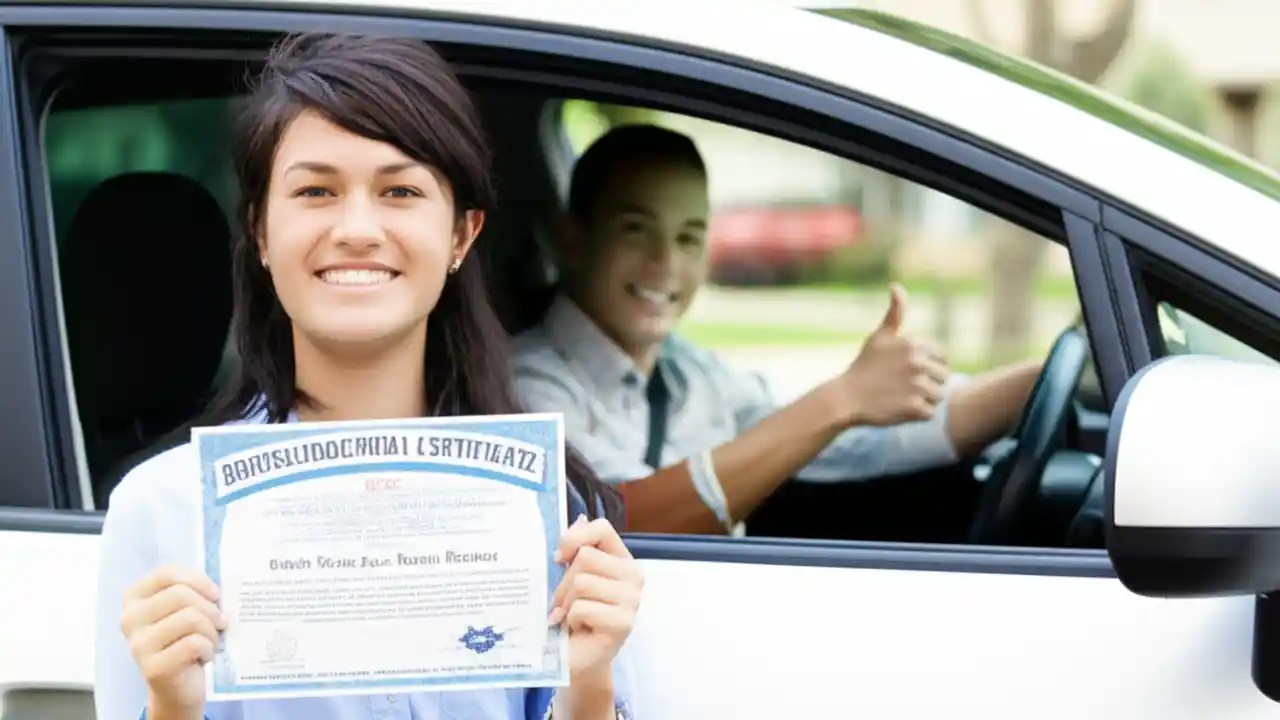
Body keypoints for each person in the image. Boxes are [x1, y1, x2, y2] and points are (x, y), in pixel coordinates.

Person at [93, 34, 643, 720]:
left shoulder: (548, 510)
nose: (357, 228)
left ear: (461, 237)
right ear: (262, 231)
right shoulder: (160, 511)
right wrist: (173, 708)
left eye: (401, 190)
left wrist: (588, 687)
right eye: (316, 190)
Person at [512, 124, 1042, 535]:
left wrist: (1043, 377)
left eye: (690, 238)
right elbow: (621, 523)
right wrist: (842, 398)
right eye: (636, 230)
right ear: (574, 240)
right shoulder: (523, 383)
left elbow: (845, 442)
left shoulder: (693, 374)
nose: (665, 262)